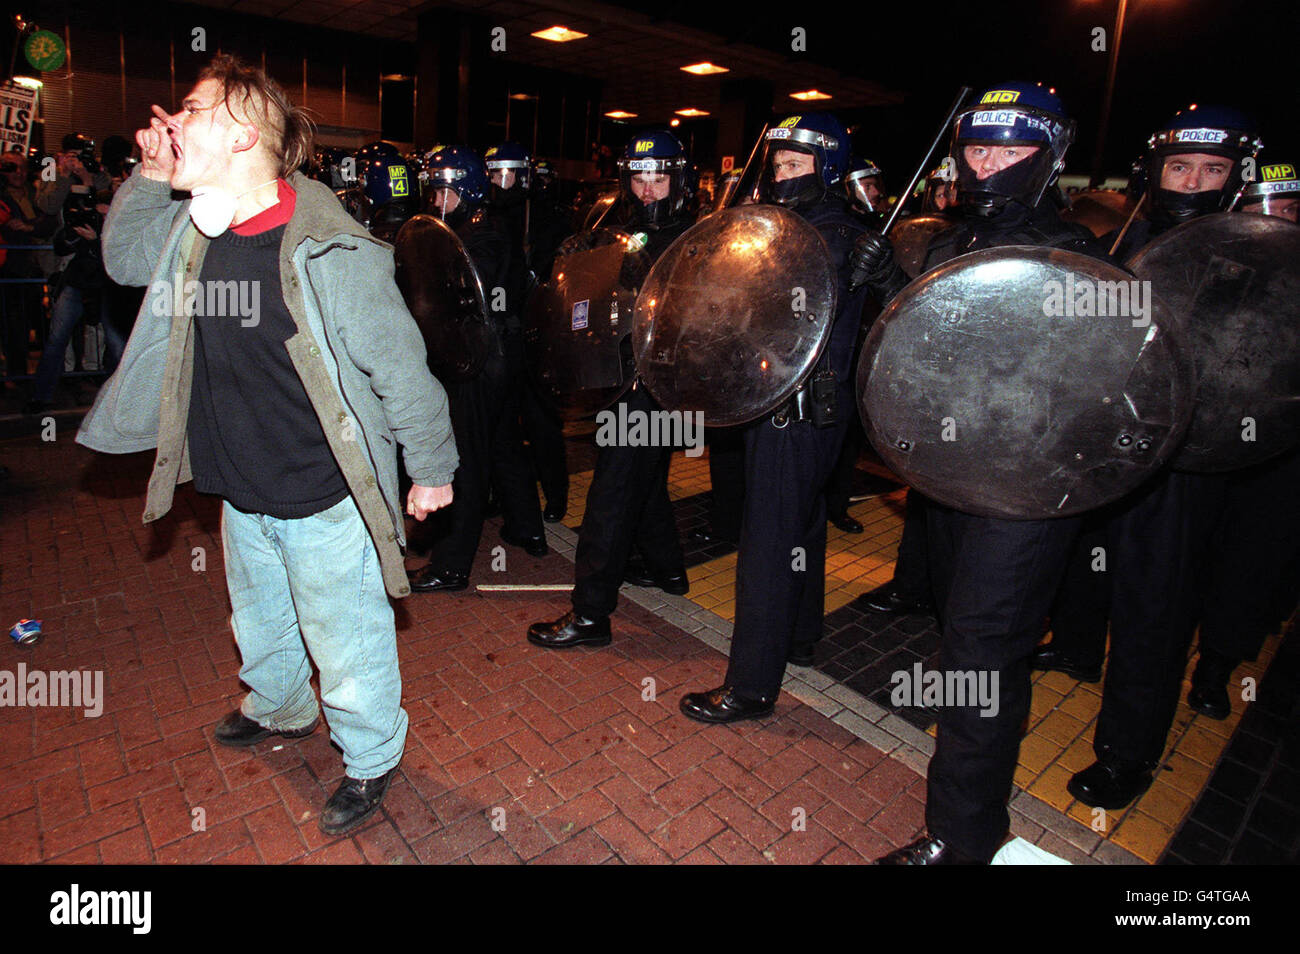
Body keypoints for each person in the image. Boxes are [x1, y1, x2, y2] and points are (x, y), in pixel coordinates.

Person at [76, 54, 457, 835]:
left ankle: (371, 756)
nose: (171, 122)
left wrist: (432, 468)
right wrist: (150, 176)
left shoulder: (332, 250)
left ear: (244, 133)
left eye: (192, 109)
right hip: (240, 486)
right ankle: (279, 705)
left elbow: (401, 366)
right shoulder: (198, 226)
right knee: (260, 621)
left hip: (324, 495)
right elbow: (121, 262)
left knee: (345, 641)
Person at [847, 83, 1104, 864]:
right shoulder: (951, 244)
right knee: (964, 641)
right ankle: (963, 801)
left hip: (1024, 490)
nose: (989, 165)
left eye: (1011, 150)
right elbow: (928, 344)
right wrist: (887, 286)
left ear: (1049, 156)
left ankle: (962, 835)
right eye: (977, 148)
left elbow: (1100, 384)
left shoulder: (1079, 256)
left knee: (986, 652)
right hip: (953, 478)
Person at [1039, 106, 1265, 811]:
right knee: (1083, 562)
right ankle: (1076, 646)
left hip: (1185, 458)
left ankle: (1127, 752)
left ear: (1235, 179)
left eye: (1212, 171)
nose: (1193, 182)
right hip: (1106, 441)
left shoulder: (1252, 257)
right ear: (1154, 170)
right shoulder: (1124, 238)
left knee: (1154, 607)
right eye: (1179, 168)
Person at [678, 111, 871, 716]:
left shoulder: (827, 234)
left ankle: (753, 683)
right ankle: (801, 635)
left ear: (828, 168)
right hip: (807, 405)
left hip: (797, 404)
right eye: (778, 164)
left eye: (795, 165)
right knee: (801, 525)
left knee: (767, 539)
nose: (781, 175)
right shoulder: (805, 225)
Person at [527, 130, 695, 650]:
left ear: (678, 180)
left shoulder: (697, 239)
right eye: (639, 179)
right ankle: (668, 571)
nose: (648, 191)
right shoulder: (614, 231)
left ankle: (590, 613)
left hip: (662, 385)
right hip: (627, 382)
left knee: (612, 493)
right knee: (642, 480)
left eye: (659, 179)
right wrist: (580, 258)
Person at [406, 143, 547, 593]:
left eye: (443, 192)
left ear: (463, 190)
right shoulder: (477, 226)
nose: (436, 201)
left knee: (465, 457)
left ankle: (451, 564)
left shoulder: (482, 232)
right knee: (503, 443)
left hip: (483, 357)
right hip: (497, 354)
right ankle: (527, 527)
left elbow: (464, 289)